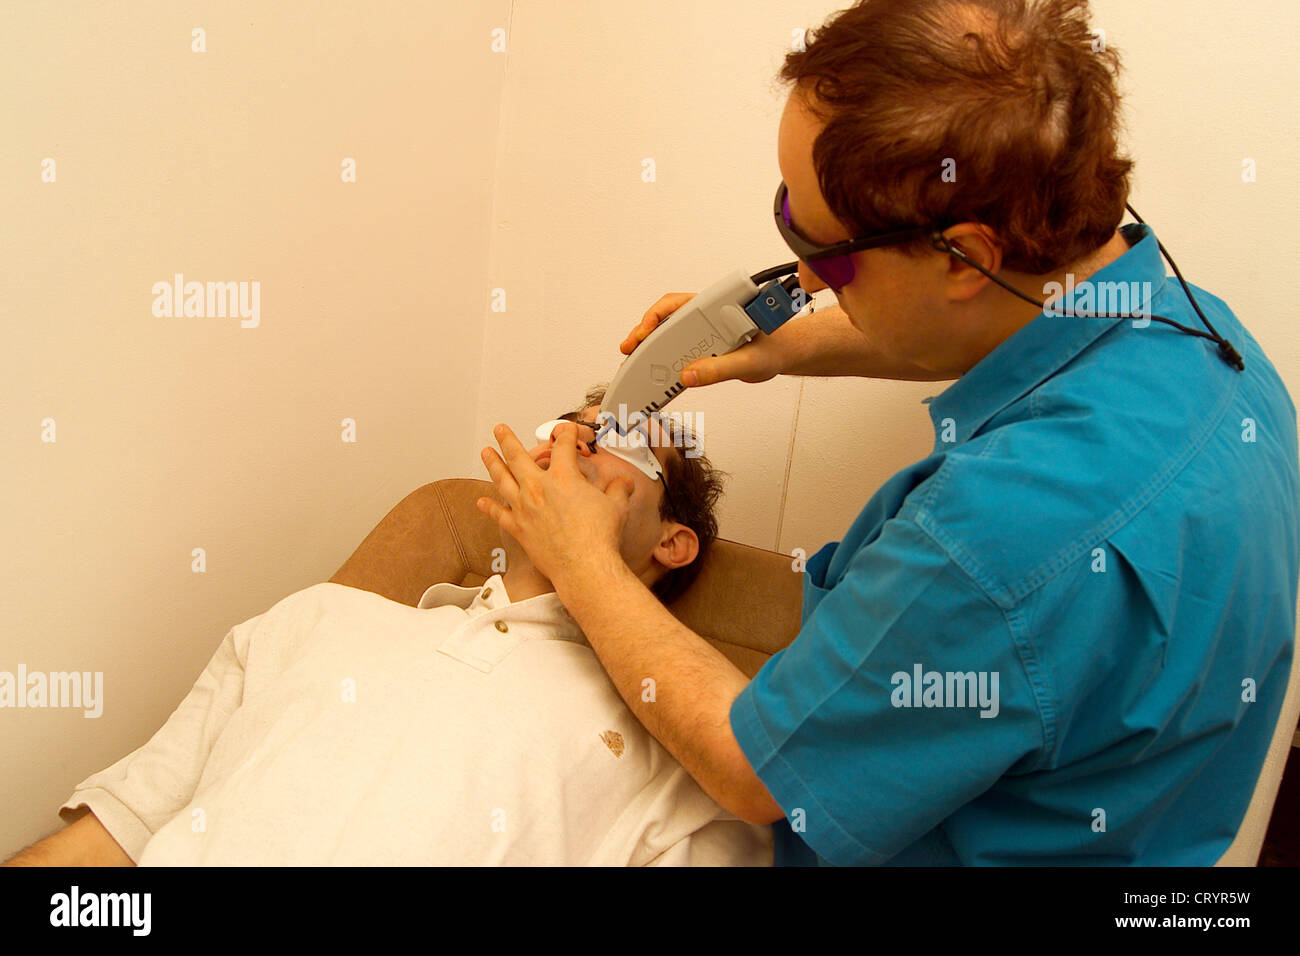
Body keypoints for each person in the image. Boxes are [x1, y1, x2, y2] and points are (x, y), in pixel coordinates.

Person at [478, 0, 1300, 865]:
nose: (801, 274)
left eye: (824, 250)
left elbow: (756, 773)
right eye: (785, 212)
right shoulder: (1196, 335)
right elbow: (1015, 335)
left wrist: (582, 560)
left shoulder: (994, 543)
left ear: (966, 259)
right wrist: (786, 348)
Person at [4, 387, 772, 866]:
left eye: (615, 443)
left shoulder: (686, 757)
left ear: (672, 543)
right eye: (565, 427)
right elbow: (113, 838)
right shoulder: (318, 617)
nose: (568, 444)